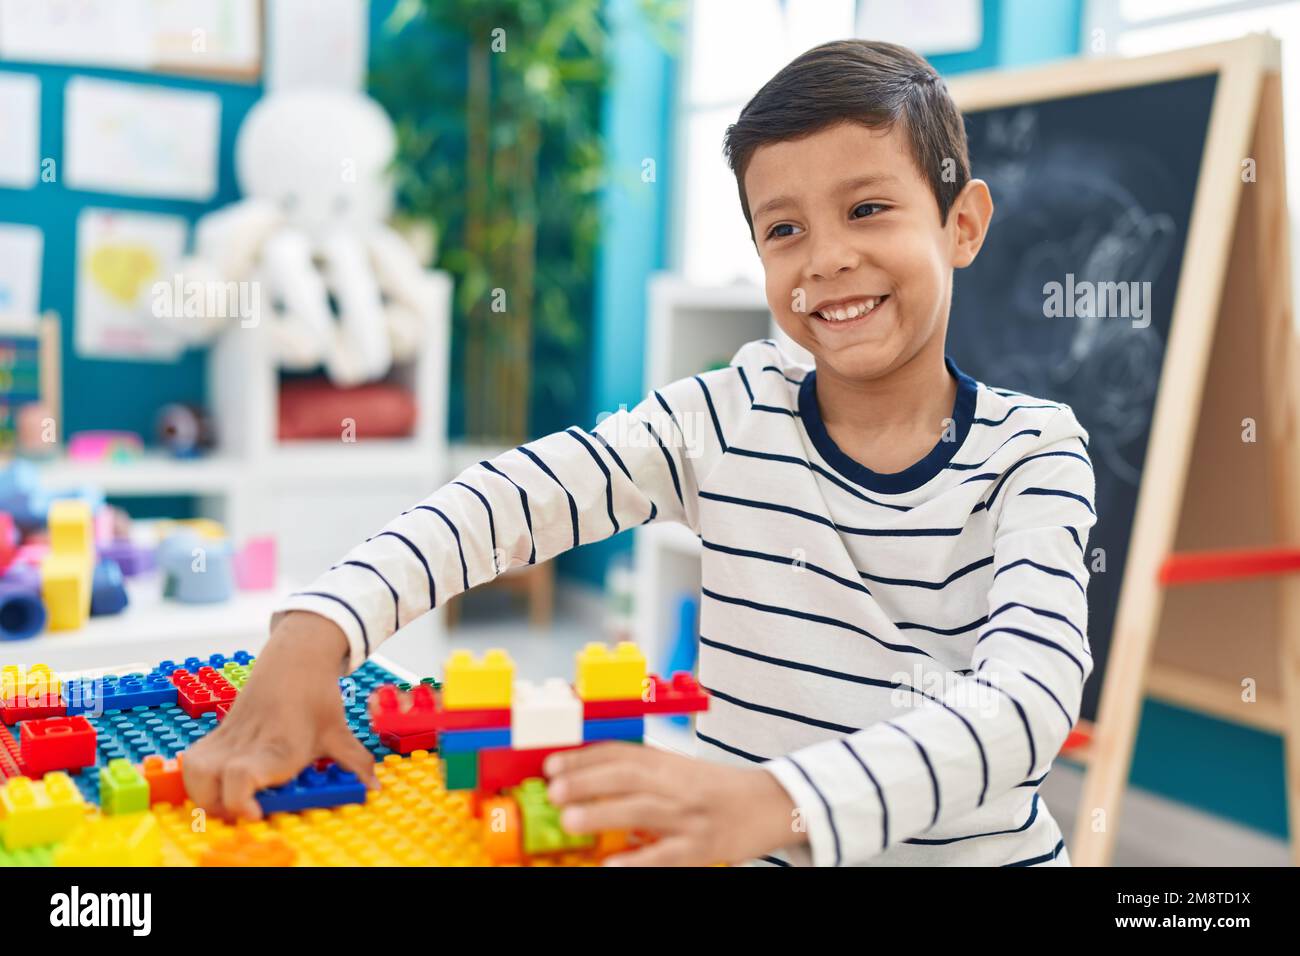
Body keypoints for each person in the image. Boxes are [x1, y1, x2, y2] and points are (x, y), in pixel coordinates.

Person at [184, 39, 1096, 867]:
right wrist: (318, 626)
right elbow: (519, 496)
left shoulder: (1033, 452)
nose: (826, 260)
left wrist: (780, 802)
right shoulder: (730, 412)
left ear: (963, 224)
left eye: (867, 208)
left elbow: (1026, 700)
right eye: (784, 229)